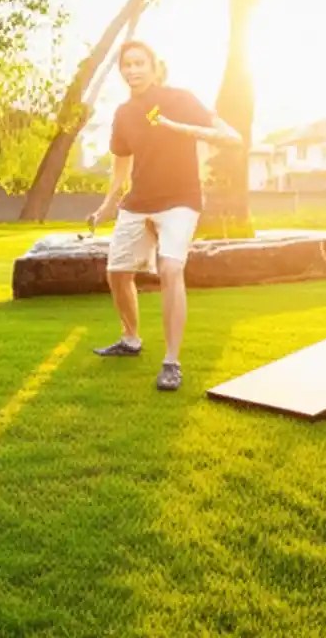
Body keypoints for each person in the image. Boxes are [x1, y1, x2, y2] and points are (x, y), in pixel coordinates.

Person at [88, 41, 243, 391]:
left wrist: (187, 129)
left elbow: (229, 135)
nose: (133, 70)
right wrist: (108, 204)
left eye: (139, 63)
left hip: (179, 200)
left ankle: (171, 362)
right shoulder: (124, 114)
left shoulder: (180, 100)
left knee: (171, 269)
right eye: (127, 64)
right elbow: (121, 164)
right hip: (138, 201)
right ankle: (130, 339)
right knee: (117, 273)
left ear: (154, 67)